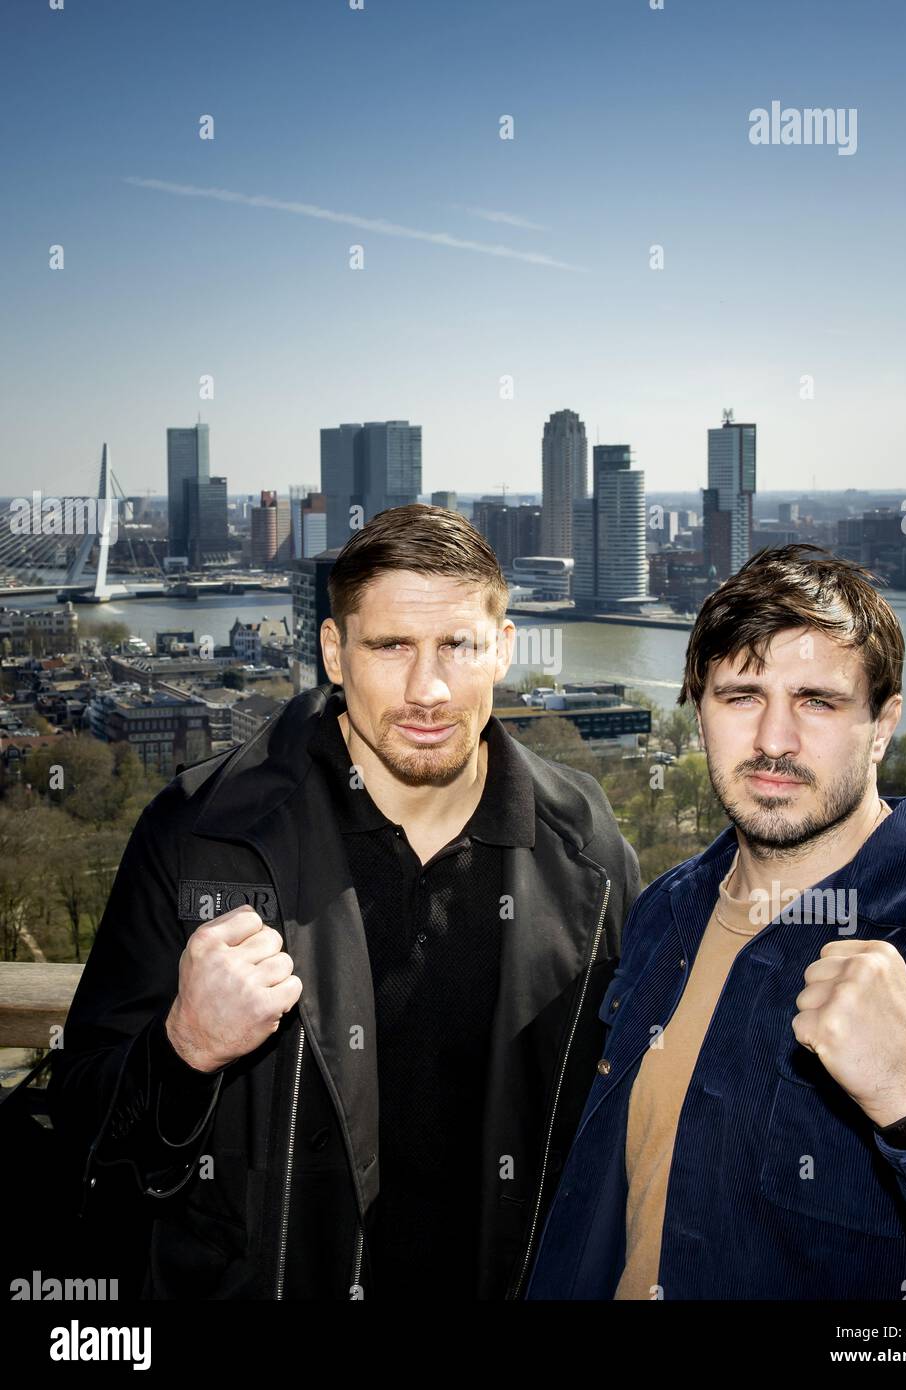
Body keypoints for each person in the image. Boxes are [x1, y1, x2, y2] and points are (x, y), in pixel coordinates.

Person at [49, 504, 640, 1300]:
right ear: (333, 652)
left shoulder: (589, 856)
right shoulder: (201, 836)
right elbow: (83, 1135)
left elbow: (616, 1133)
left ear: (503, 649)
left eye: (456, 646)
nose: (426, 690)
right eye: (390, 645)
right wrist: (182, 1049)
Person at [526, 544, 906, 1300]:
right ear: (699, 711)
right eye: (740, 695)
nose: (773, 742)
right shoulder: (665, 910)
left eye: (816, 700)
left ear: (881, 725)